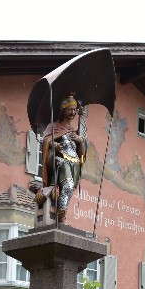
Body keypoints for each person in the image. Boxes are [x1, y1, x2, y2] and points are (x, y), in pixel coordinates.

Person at [38, 93, 86, 223]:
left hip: (74, 162)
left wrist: (80, 141)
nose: (73, 112)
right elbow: (46, 141)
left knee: (70, 187)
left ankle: (61, 214)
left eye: (74, 109)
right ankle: (61, 214)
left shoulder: (76, 131)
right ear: (63, 110)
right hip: (58, 159)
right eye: (70, 109)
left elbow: (81, 155)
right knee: (68, 185)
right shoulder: (54, 126)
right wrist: (55, 145)